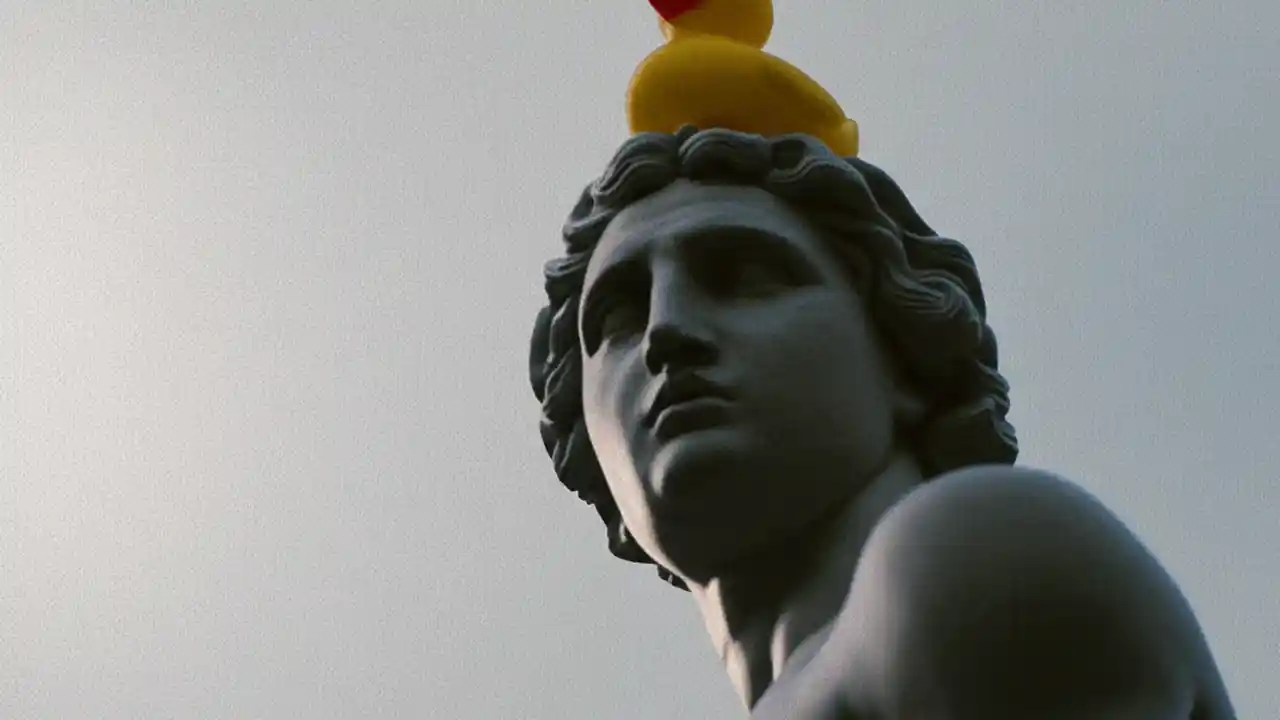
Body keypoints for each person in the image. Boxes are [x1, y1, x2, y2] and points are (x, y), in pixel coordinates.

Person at [528, 4, 1236, 717]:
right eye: (616, 317)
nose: (667, 329)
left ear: (901, 358)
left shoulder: (970, 555)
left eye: (743, 277)